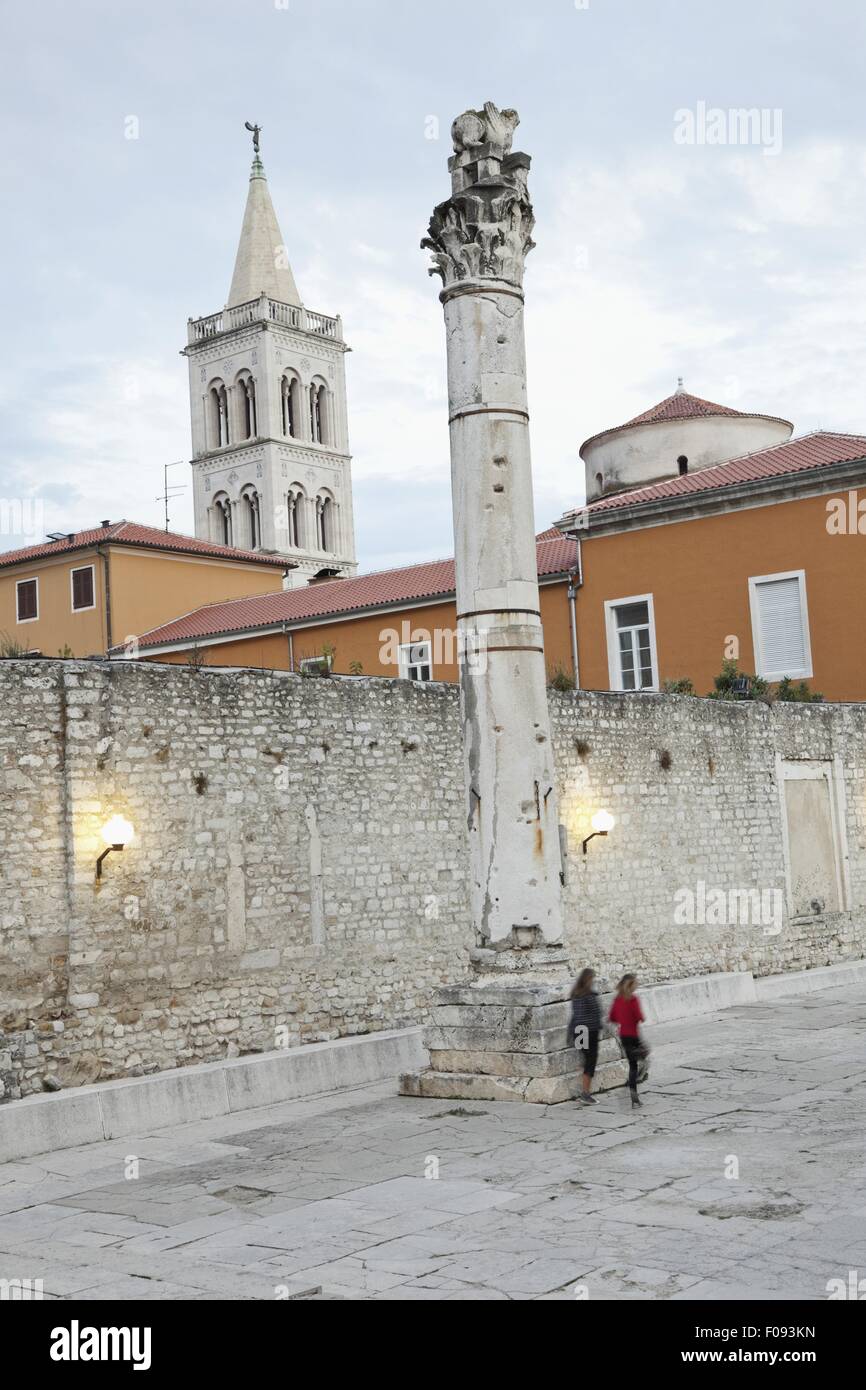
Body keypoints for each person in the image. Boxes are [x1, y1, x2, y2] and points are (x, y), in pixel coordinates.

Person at [608, 973, 646, 1108]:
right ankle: (634, 1084)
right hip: (634, 1035)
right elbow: (640, 1017)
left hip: (623, 1036)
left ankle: (633, 1089)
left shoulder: (617, 999)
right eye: (636, 982)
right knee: (642, 1061)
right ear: (631, 985)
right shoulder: (633, 999)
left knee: (632, 1064)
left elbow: (612, 1017)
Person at [567, 968, 602, 1106]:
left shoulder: (575, 994)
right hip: (589, 1031)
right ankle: (585, 1094)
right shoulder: (589, 995)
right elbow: (594, 1014)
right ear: (588, 979)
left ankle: (584, 1080)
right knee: (590, 1062)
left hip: (579, 1031)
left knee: (587, 1058)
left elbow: (576, 1016)